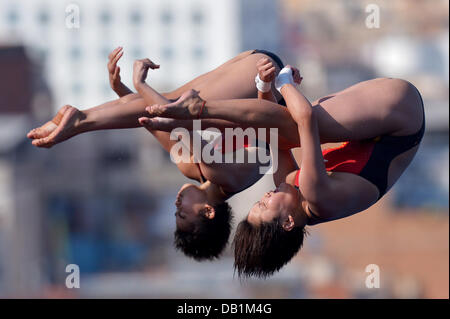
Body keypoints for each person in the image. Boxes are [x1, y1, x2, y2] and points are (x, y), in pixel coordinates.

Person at [143, 67, 425, 278]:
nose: (265, 195)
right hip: (400, 115)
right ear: (288, 223)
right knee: (295, 126)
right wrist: (285, 82)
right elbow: (306, 119)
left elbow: (269, 136)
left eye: (258, 201)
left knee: (279, 134)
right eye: (265, 205)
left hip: (380, 113)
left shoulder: (290, 187)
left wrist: (264, 88)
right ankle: (198, 109)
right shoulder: (317, 197)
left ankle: (195, 113)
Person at [27, 48, 292, 261]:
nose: (176, 207)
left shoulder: (191, 169)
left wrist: (121, 91)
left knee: (167, 105)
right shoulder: (228, 178)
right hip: (261, 79)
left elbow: (150, 118)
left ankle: (81, 120)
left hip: (248, 66)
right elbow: (179, 117)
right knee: (174, 104)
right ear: (208, 212)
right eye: (183, 214)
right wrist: (140, 84)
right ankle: (80, 122)